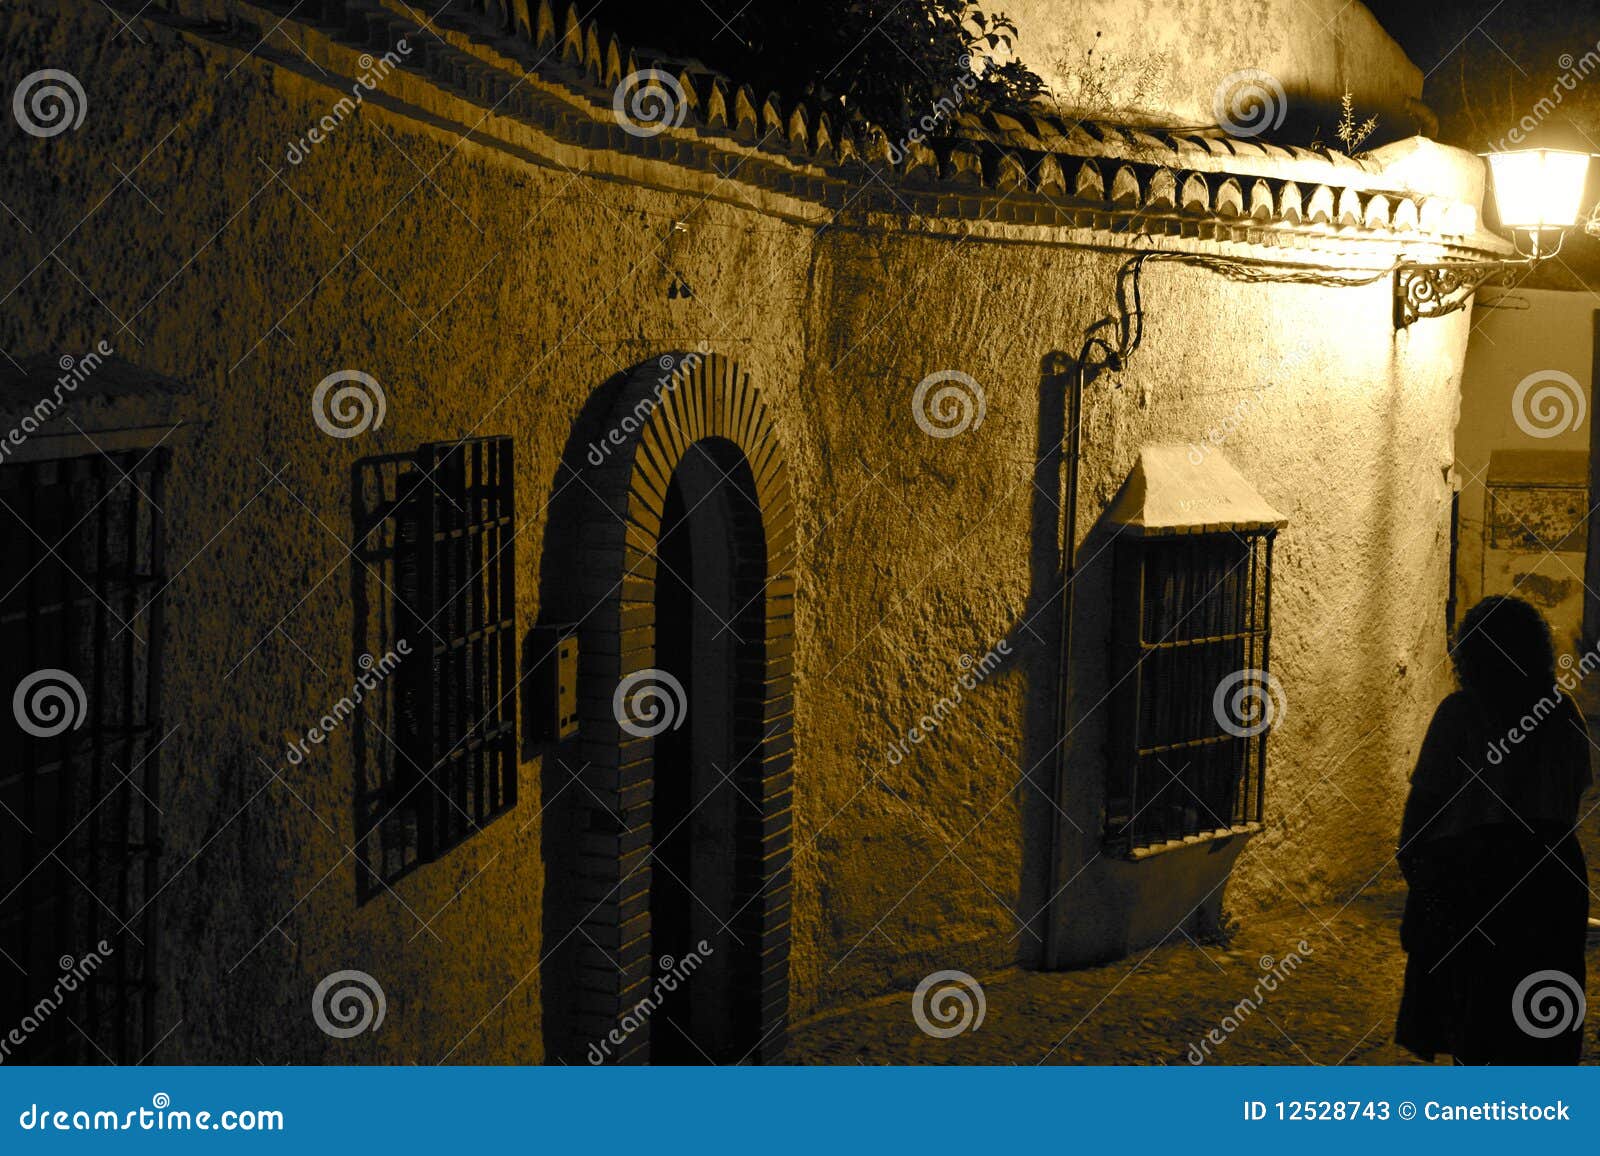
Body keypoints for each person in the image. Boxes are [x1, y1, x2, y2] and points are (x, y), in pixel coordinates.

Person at [1395, 595, 1591, 1064]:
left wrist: (1426, 884)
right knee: (1541, 1031)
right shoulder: (1563, 714)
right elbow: (1570, 797)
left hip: (1475, 876)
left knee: (1475, 1021)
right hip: (1550, 880)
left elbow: (1422, 811)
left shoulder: (1458, 716)